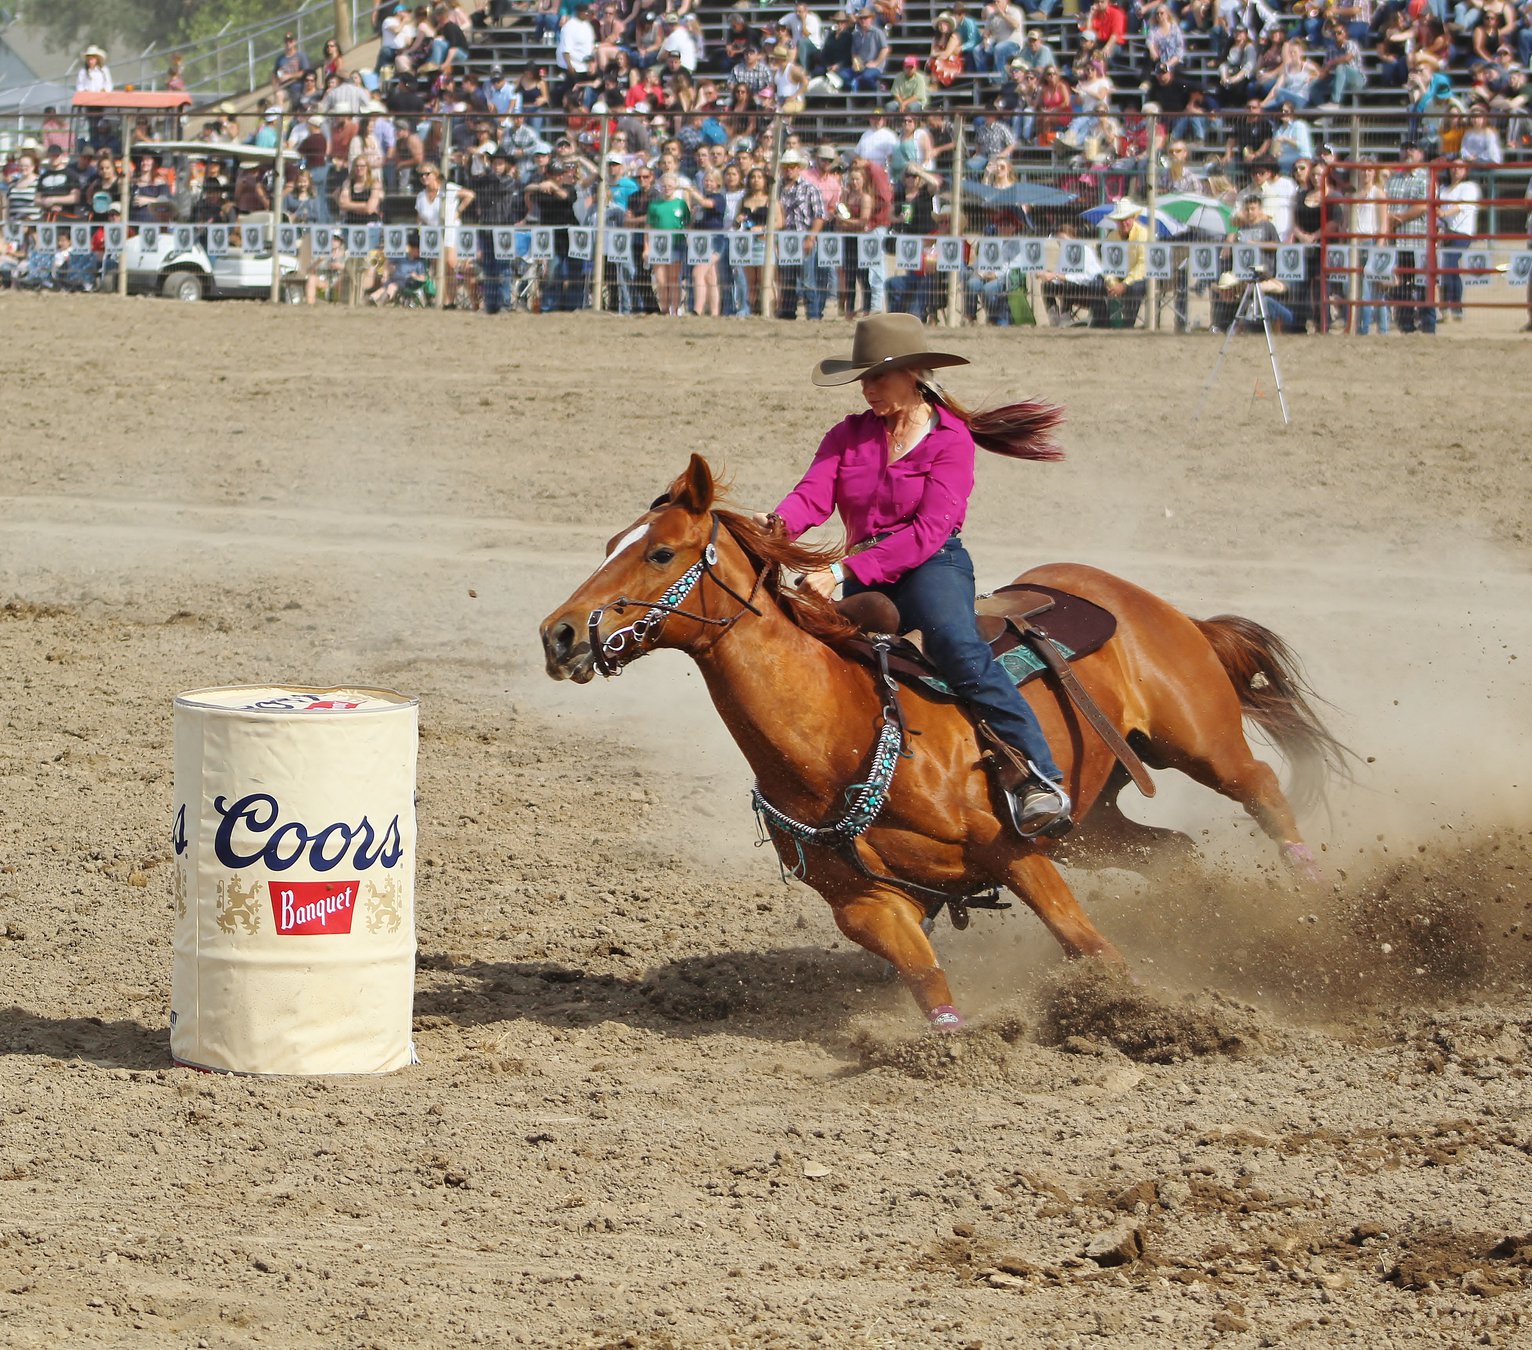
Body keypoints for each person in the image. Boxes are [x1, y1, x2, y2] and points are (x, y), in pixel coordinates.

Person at [757, 314, 1072, 837]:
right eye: (863, 378)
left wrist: (840, 571)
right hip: (861, 568)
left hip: (932, 564)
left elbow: (929, 530)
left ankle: (1037, 777)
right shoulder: (848, 434)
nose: (867, 388)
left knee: (957, 646)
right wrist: (775, 527)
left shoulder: (952, 440)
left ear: (914, 374)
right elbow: (811, 495)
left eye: (877, 377)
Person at [1086, 197, 1147, 327]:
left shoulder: (1144, 234)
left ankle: (1128, 324)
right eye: (1120, 220)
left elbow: (1142, 265)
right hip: (1117, 277)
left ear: (1134, 218)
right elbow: (1107, 265)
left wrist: (1124, 285)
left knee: (1136, 287)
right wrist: (1112, 283)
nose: (1123, 223)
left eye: (1126, 219)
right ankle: (1103, 322)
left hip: (1137, 278)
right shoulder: (1111, 237)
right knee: (1095, 284)